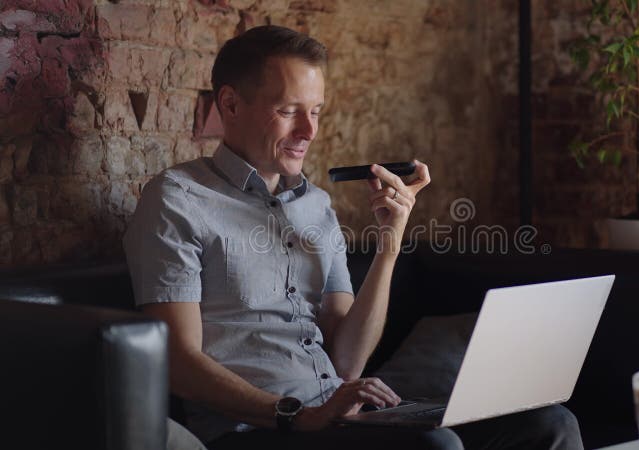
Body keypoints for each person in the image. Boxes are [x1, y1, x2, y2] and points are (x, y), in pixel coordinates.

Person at [123, 25, 583, 450]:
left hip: (340, 414)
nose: (309, 131)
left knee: (550, 425)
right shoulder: (177, 200)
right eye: (288, 112)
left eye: (316, 111)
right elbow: (178, 362)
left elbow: (347, 363)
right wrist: (298, 415)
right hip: (258, 429)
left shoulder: (316, 205)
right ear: (230, 104)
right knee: (435, 447)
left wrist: (390, 243)